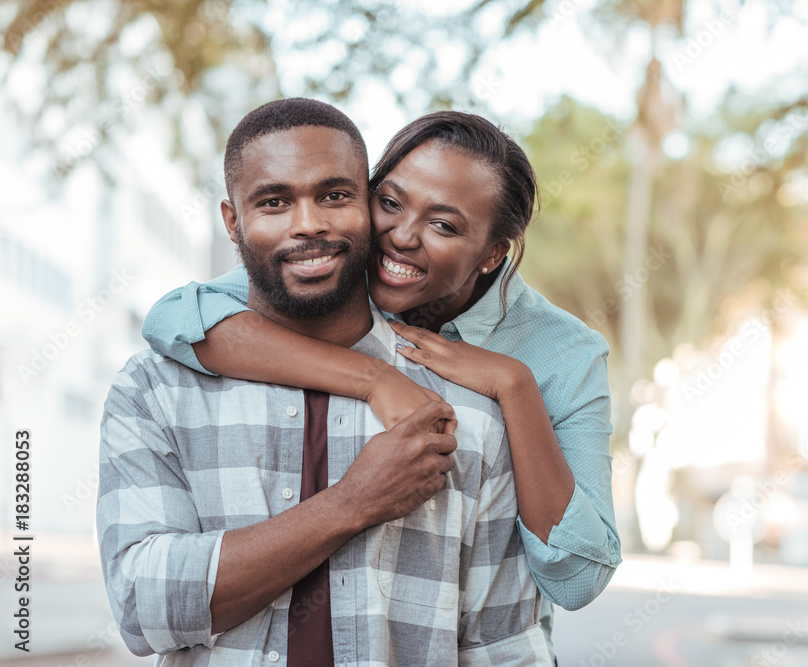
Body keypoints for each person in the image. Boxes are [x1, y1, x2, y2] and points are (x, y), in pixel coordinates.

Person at [143, 107, 622, 660]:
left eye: (444, 225)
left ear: (493, 254)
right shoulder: (335, 272)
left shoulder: (563, 352)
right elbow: (175, 320)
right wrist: (375, 378)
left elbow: (578, 579)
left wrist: (513, 385)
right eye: (389, 203)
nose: (402, 237)